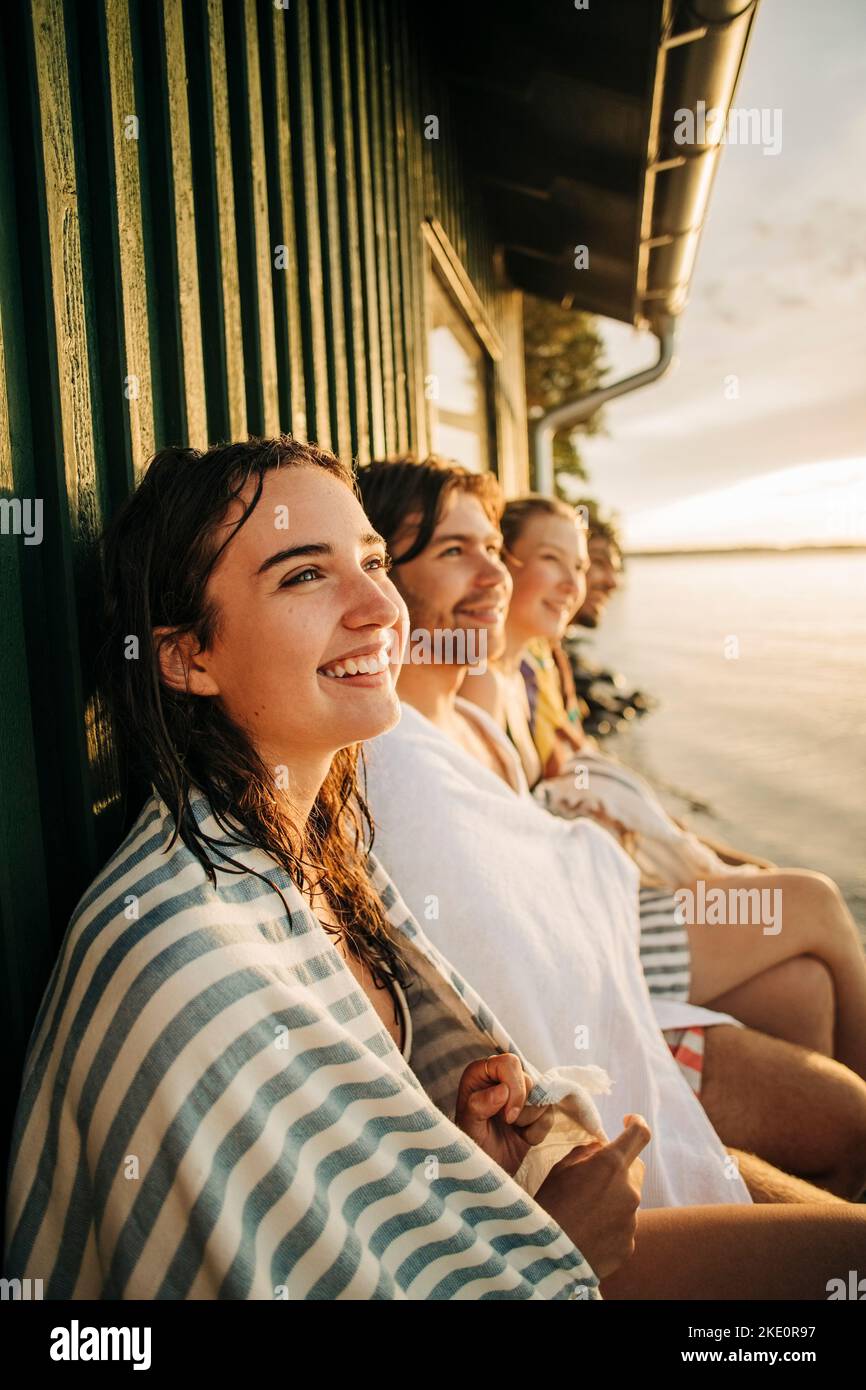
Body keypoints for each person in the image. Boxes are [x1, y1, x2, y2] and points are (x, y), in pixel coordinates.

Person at [8, 439, 865, 1302]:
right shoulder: (187, 969)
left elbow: (346, 1190)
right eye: (305, 576)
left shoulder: (317, 841)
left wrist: (460, 1156)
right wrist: (556, 1249)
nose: (379, 606)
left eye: (372, 561)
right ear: (188, 656)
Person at [357, 458, 866, 1202]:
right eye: (452, 551)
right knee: (822, 963)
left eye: (493, 548)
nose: (496, 576)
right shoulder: (392, 765)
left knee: (803, 991)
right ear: (383, 582)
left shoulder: (472, 720)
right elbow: (496, 973)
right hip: (582, 1049)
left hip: (614, 976)